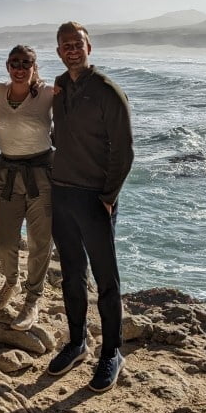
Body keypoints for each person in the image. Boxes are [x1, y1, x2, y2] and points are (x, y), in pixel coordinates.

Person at [45, 21, 134, 392]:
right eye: (65, 45)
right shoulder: (61, 85)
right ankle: (77, 341)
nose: (72, 49)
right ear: (59, 51)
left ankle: (112, 351)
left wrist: (109, 197)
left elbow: (124, 151)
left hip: (95, 199)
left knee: (106, 279)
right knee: (71, 274)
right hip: (61, 194)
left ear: (89, 47)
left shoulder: (108, 91)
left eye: (77, 43)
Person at [0, 45, 55, 331]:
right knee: (4, 239)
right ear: (7, 65)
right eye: (15, 62)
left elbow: (76, 116)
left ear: (34, 66)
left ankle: (32, 300)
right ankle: (10, 281)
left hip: (42, 176)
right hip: (7, 174)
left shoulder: (49, 93)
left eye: (26, 62)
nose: (20, 67)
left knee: (40, 241)